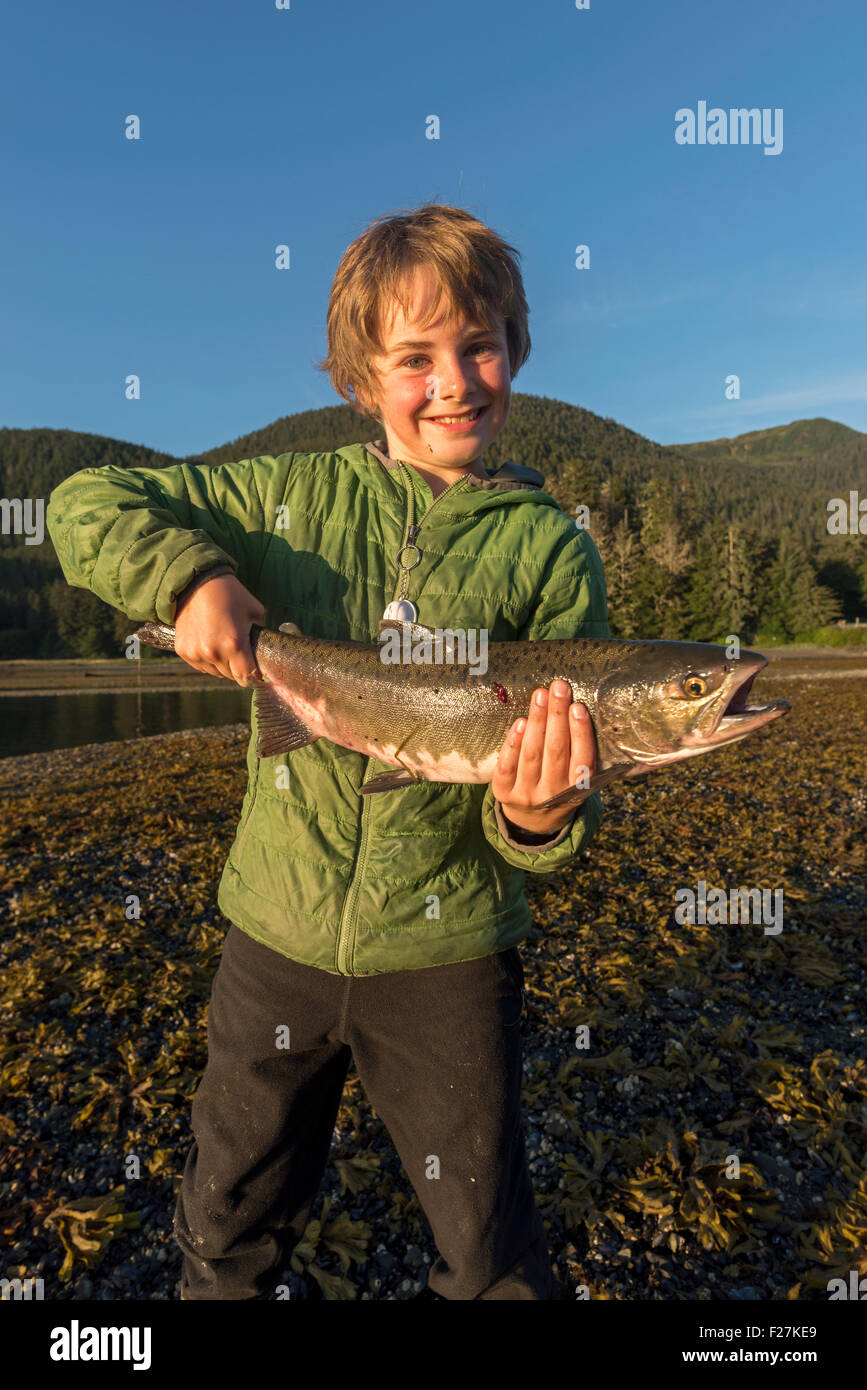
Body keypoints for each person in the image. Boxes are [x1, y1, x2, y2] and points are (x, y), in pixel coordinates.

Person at [45, 202, 610, 1300]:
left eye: (479, 345)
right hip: (275, 936)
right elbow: (82, 499)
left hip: (450, 953)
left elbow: (558, 817)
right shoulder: (284, 495)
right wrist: (189, 579)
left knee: (489, 1251)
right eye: (415, 357)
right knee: (228, 1228)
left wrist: (538, 818)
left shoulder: (552, 549)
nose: (454, 380)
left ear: (516, 352)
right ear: (362, 379)